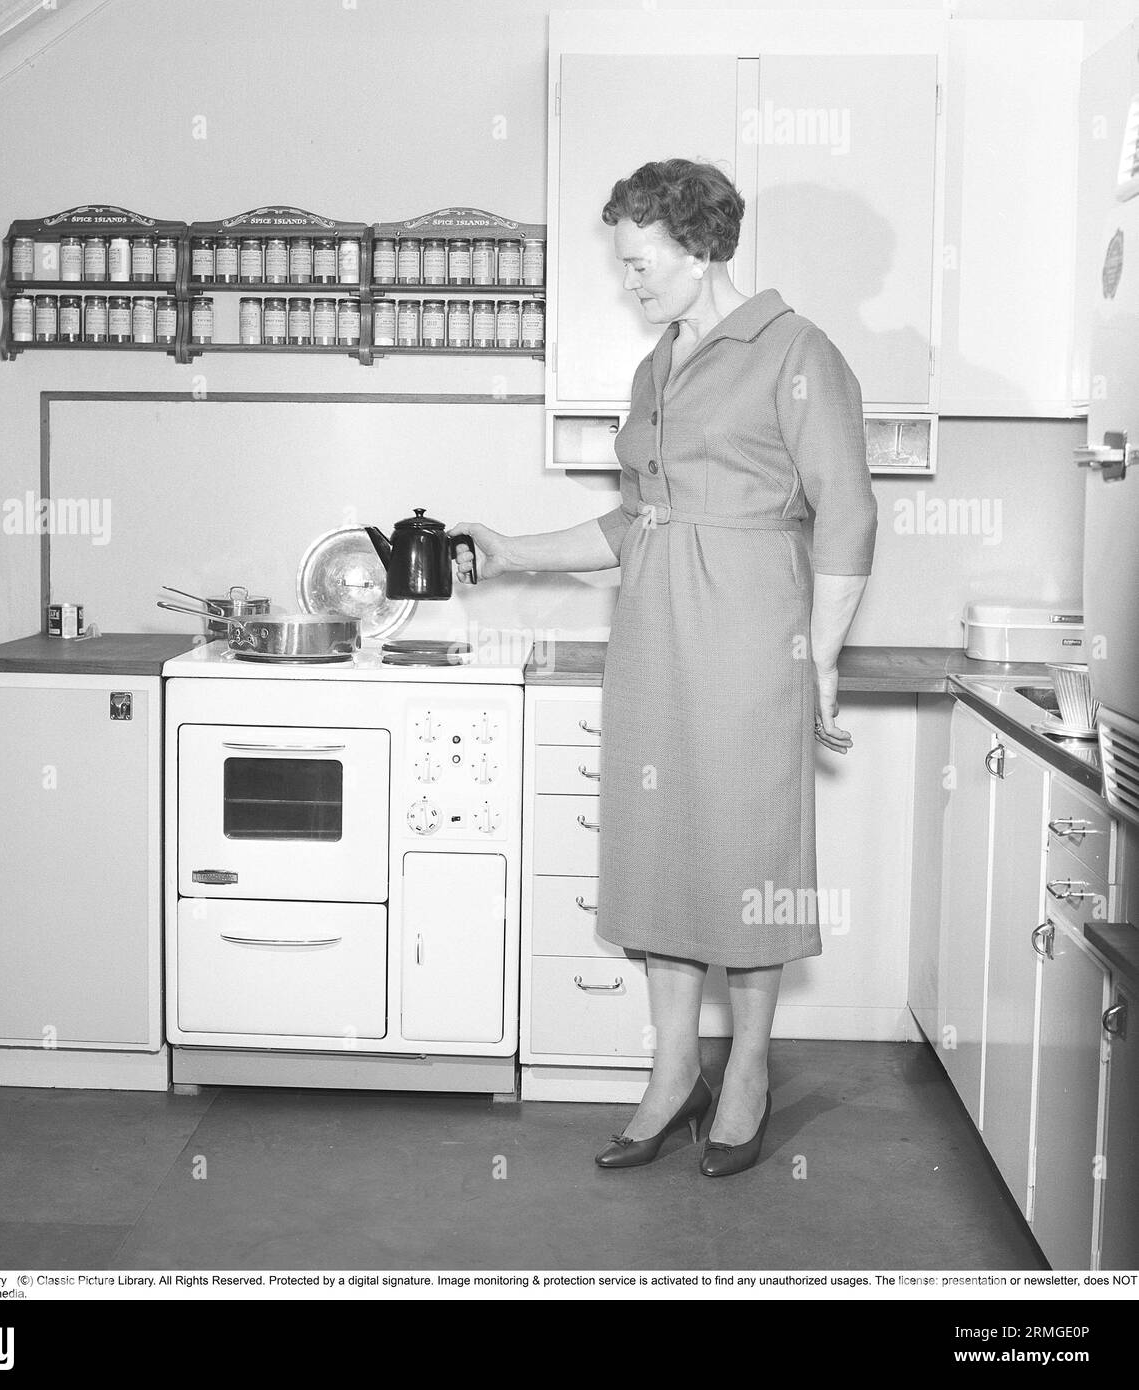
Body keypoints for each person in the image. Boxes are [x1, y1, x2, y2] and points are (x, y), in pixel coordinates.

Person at [453, 157, 877, 1177]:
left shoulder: (795, 351)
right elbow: (635, 518)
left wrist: (818, 657)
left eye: (642, 263)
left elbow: (849, 511)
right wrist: (514, 549)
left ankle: (748, 1074)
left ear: (700, 249)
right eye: (625, 264)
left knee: (745, 856)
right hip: (653, 638)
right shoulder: (655, 369)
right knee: (658, 853)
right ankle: (672, 1069)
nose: (630, 282)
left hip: (749, 637)